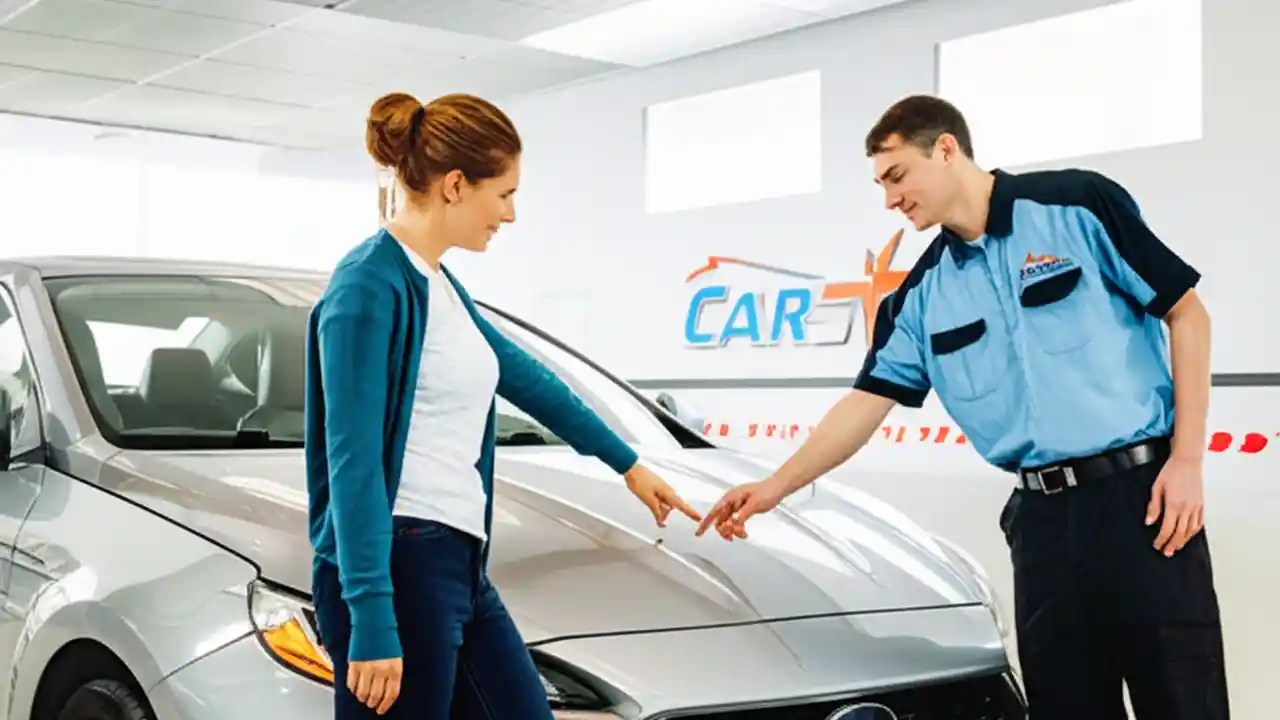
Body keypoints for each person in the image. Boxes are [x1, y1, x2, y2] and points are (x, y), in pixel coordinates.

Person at [695, 95, 1228, 719]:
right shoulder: (921, 295)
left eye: (896, 176)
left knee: (1183, 701)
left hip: (1144, 504)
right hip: (1043, 530)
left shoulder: (1077, 205)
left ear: (945, 149)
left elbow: (1186, 314)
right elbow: (865, 405)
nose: (889, 200)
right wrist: (773, 488)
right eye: (880, 184)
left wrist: (1187, 459)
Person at [304, 91, 702, 719]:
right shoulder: (366, 285)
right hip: (402, 565)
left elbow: (529, 380)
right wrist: (373, 616)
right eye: (505, 194)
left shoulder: (436, 282)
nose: (511, 214)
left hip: (458, 562)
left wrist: (629, 464)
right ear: (456, 185)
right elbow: (351, 463)